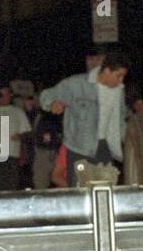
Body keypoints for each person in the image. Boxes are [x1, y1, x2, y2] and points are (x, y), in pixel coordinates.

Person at [39, 49, 131, 185]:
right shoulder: (77, 84)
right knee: (80, 192)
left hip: (105, 149)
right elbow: (47, 95)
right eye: (118, 76)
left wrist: (130, 140)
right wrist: (53, 103)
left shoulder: (119, 91)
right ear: (106, 71)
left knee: (104, 192)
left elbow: (120, 122)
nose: (121, 80)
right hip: (79, 149)